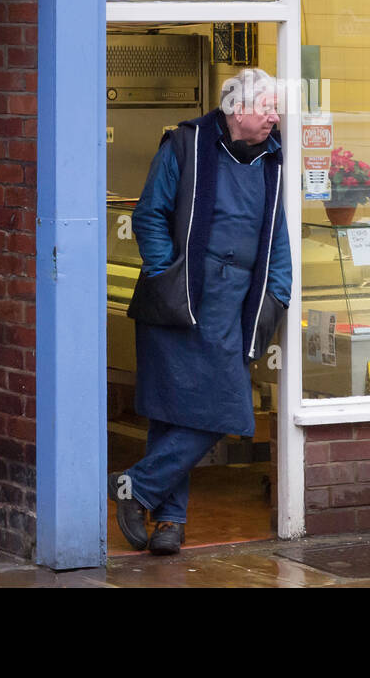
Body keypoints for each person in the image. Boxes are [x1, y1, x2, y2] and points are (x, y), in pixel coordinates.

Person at [109, 68, 291, 555]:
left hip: (234, 306)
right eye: (266, 106)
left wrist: (278, 291)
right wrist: (170, 274)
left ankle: (137, 487)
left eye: (276, 106)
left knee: (226, 407)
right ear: (235, 110)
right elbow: (149, 215)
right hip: (179, 298)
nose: (275, 115)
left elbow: (278, 239)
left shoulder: (275, 159)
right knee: (171, 412)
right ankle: (170, 522)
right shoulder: (185, 145)